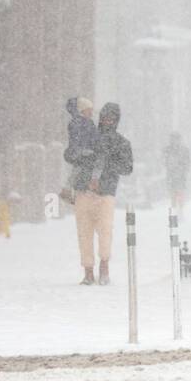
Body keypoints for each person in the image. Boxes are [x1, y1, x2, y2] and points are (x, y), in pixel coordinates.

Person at [69, 102, 133, 285]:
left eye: (111, 118)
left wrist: (107, 165)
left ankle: (104, 267)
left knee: (105, 231)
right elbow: (70, 154)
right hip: (83, 191)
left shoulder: (121, 142)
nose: (107, 121)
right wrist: (81, 155)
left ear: (117, 120)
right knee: (84, 232)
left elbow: (127, 168)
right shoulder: (88, 137)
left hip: (105, 193)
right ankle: (88, 271)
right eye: (104, 117)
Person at [60, 96, 98, 207]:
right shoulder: (77, 122)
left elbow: (94, 137)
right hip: (79, 152)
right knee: (80, 169)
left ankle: (74, 192)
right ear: (82, 110)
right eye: (89, 110)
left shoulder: (87, 122)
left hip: (85, 152)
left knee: (80, 170)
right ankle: (71, 192)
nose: (91, 112)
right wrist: (82, 150)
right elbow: (76, 139)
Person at [162, 132, 191, 217]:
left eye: (176, 139)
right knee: (173, 193)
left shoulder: (184, 150)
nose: (175, 141)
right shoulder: (168, 149)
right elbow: (164, 160)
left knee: (180, 192)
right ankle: (175, 209)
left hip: (180, 175)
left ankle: (180, 210)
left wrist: (184, 169)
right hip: (172, 174)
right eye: (173, 139)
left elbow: (188, 162)